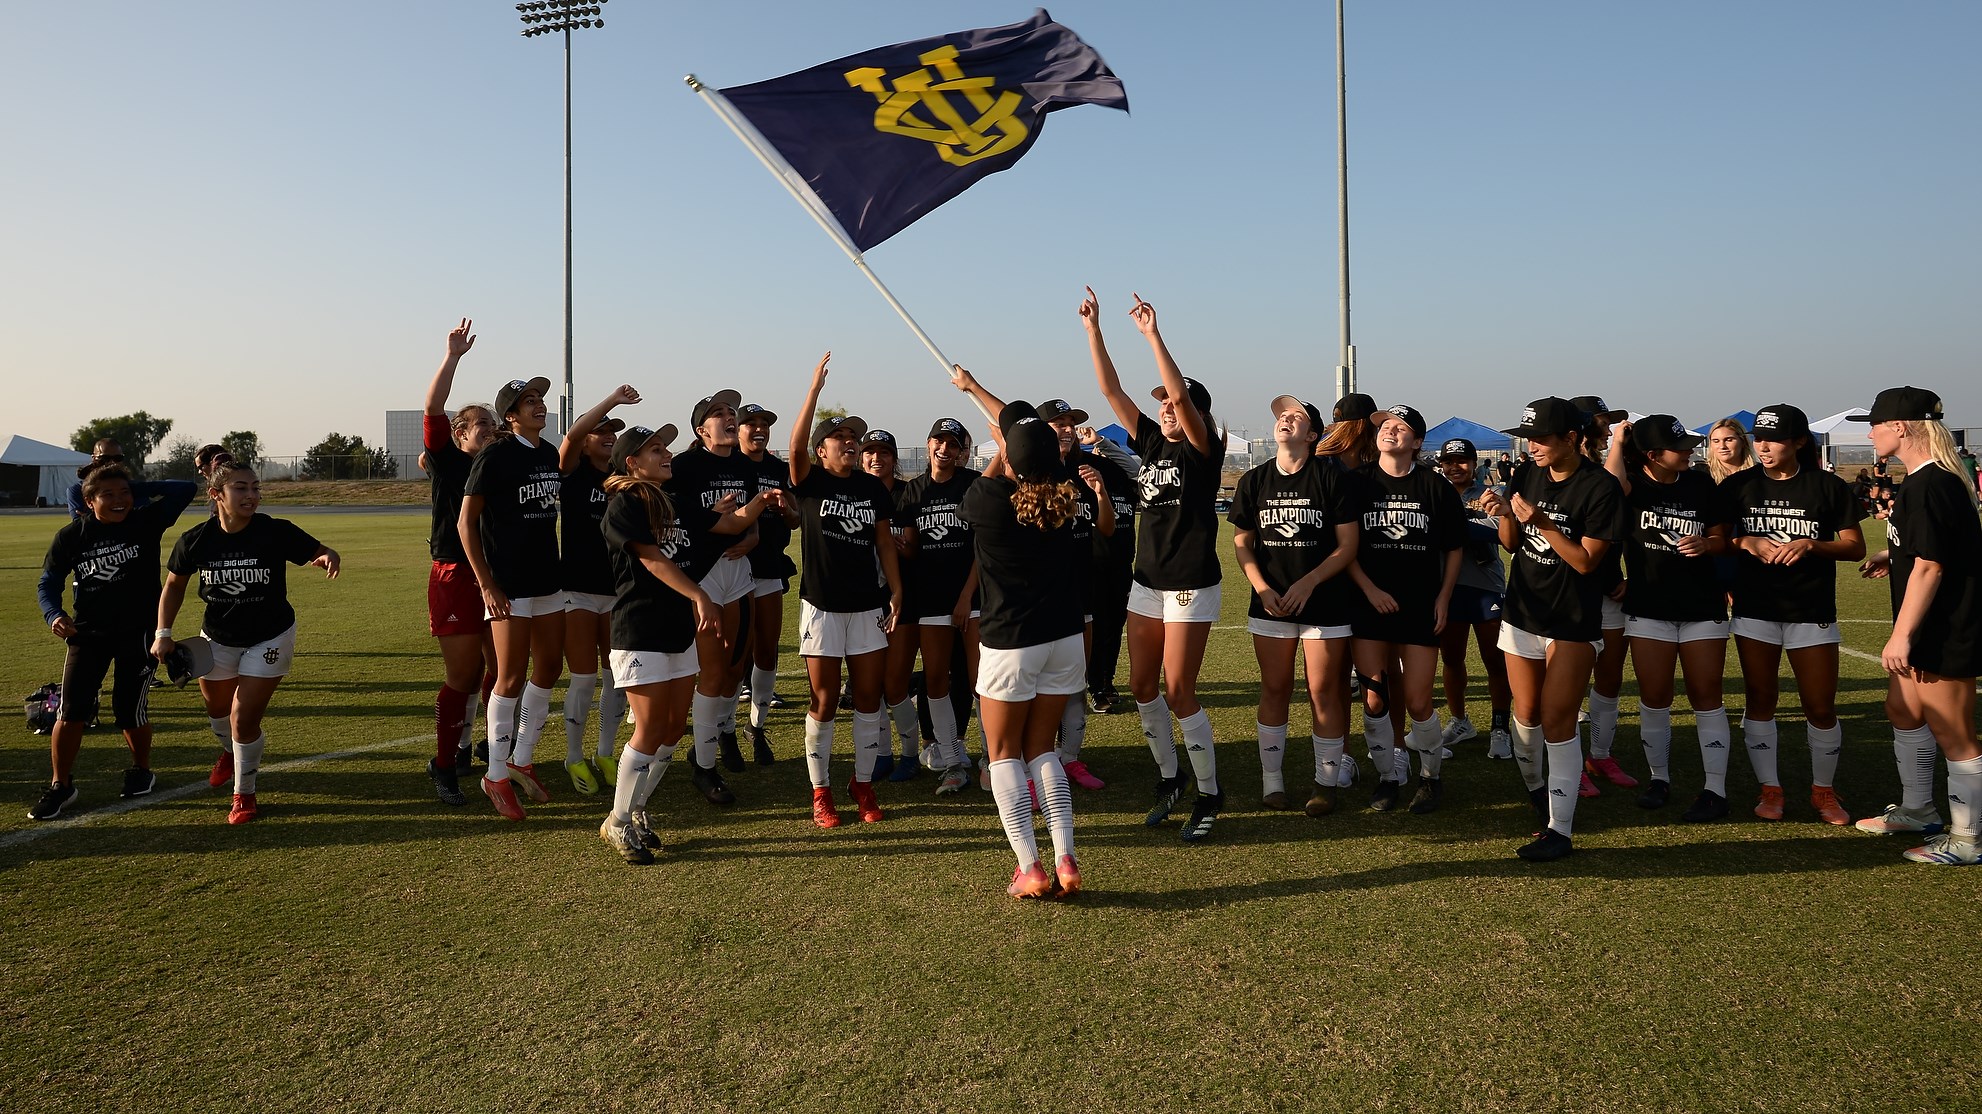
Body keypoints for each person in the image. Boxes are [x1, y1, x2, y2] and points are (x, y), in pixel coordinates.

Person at [1083, 288, 1228, 842]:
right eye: (1163, 405)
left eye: (1175, 403)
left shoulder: (1201, 449)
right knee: (1142, 685)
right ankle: (1170, 778)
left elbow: (1185, 404)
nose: (1166, 409)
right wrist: (1094, 329)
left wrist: (1152, 336)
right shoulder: (1149, 445)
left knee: (1178, 689)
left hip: (1190, 584)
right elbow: (1111, 390)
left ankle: (1211, 789)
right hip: (1146, 582)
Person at [461, 376, 638, 819]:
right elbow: (467, 523)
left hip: (549, 583)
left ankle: (522, 759)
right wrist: (486, 583)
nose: (538, 405)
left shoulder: (544, 454)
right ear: (511, 415)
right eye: (528, 401)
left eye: (540, 399)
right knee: (509, 677)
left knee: (549, 668)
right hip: (508, 585)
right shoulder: (495, 455)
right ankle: (496, 773)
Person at [152, 460, 340, 823]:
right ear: (216, 495)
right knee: (218, 712)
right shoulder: (195, 539)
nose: (251, 495)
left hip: (271, 636)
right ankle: (230, 751)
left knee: (242, 717)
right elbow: (174, 586)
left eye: (255, 487)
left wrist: (326, 556)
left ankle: (244, 794)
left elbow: (320, 549)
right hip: (217, 639)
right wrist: (164, 634)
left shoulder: (275, 531)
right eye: (241, 487)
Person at [1482, 398, 1626, 862]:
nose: (1533, 446)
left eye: (1542, 437)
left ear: (1572, 438)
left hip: (1572, 618)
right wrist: (1502, 513)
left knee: (1558, 718)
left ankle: (1560, 829)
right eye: (1528, 437)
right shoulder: (1526, 473)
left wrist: (1540, 520)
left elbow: (1586, 562)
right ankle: (1538, 795)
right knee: (1526, 716)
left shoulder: (1600, 487)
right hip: (1523, 612)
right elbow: (1512, 545)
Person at [962, 402, 1092, 898]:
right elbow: (1030, 467)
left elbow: (992, 480)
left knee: (1002, 755)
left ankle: (1030, 867)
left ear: (1010, 460)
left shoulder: (988, 500)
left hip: (1010, 644)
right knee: (1043, 749)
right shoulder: (1067, 498)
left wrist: (1001, 452)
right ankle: (1064, 856)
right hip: (1063, 640)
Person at [1852, 387, 1982, 863]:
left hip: (1942, 627)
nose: (1869, 433)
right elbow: (1933, 548)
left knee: (1954, 732)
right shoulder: (1927, 481)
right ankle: (1917, 809)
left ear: (1901, 427)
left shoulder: (1929, 484)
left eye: (1875, 424)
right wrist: (1895, 553)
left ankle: (1969, 839)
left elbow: (1932, 567)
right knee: (1903, 710)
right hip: (1928, 621)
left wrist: (1901, 635)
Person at [591, 423, 726, 863]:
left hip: (675, 631)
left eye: (665, 447)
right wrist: (699, 594)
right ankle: (617, 821)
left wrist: (764, 501)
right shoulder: (624, 505)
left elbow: (725, 524)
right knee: (649, 729)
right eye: (654, 449)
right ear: (632, 462)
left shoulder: (670, 502)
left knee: (671, 729)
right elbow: (651, 560)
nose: (666, 454)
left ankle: (635, 809)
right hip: (639, 630)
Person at [1723, 404, 1865, 824]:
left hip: (1811, 609)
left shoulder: (1827, 486)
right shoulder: (1740, 487)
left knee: (1819, 706)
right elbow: (1718, 540)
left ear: (1799, 442)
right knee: (1761, 699)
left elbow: (1854, 546)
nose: (1763, 446)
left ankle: (1824, 791)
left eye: (1774, 439)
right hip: (1755, 609)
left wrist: (1812, 546)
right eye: (1758, 439)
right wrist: (1745, 541)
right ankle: (1771, 789)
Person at [30, 464, 197, 819]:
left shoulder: (145, 521)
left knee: (128, 709)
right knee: (71, 710)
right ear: (89, 501)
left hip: (139, 634)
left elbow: (185, 489)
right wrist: (54, 614)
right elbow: (48, 583)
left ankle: (141, 770)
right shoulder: (71, 536)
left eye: (125, 494)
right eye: (108, 495)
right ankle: (61, 784)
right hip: (87, 634)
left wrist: (128, 484)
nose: (120, 501)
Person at [1228, 395, 1360, 815]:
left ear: (1313, 434)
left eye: (1296, 416)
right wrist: (1263, 588)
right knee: (1275, 688)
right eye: (1281, 415)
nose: (1285, 419)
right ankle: (1273, 782)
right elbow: (1242, 543)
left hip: (1326, 604)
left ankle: (1325, 783)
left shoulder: (1330, 478)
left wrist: (1309, 582)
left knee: (1323, 691)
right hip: (1270, 605)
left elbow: (1347, 546)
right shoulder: (1254, 480)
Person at [788, 353, 904, 827]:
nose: (851, 444)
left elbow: (884, 544)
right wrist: (814, 392)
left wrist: (896, 592)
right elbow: (794, 447)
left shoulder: (872, 488)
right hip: (822, 607)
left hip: (867, 607)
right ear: (822, 450)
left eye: (854, 438)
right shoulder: (810, 480)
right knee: (824, 698)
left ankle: (862, 784)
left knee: (868, 697)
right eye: (841, 438)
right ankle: (821, 791)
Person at [1603, 416, 1735, 817]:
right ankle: (1659, 778)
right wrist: (1617, 441)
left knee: (1707, 697)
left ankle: (1715, 789)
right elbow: (1610, 491)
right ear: (1651, 455)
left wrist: (1708, 544)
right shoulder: (1632, 485)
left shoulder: (1700, 483)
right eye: (1679, 447)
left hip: (1702, 607)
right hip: (1649, 608)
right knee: (1655, 697)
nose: (1689, 451)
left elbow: (1722, 539)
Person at [1345, 405, 1465, 814]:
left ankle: (1431, 778)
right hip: (1368, 604)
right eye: (1385, 426)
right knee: (1375, 698)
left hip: (1419, 606)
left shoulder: (1435, 487)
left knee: (1417, 701)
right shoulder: (1356, 483)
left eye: (1401, 427)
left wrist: (1444, 597)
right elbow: (1345, 547)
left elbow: (1453, 549)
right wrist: (1369, 588)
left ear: (1416, 442)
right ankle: (1387, 778)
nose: (1390, 431)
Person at [671, 389, 774, 805]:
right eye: (718, 413)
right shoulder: (685, 465)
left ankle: (715, 737)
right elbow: (678, 519)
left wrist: (750, 537)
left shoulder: (745, 466)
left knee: (735, 669)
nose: (729, 416)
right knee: (712, 674)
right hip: (704, 575)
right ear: (702, 430)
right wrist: (720, 518)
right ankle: (704, 766)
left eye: (731, 411)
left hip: (739, 573)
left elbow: (751, 521)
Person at [420, 319, 499, 807]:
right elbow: (432, 408)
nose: (490, 431)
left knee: (502, 669)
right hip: (455, 573)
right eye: (481, 425)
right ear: (460, 433)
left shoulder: (505, 462)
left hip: (499, 576)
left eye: (494, 424)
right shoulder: (448, 460)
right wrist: (453, 357)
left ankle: (489, 750)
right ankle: (445, 761)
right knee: (463, 675)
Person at [890, 416, 985, 792]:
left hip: (972, 597)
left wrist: (965, 597)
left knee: (981, 681)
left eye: (952, 444)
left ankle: (993, 757)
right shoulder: (912, 491)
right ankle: (952, 761)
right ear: (928, 444)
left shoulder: (973, 485)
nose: (944, 449)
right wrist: (901, 547)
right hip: (930, 598)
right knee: (935, 680)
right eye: (938, 442)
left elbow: (982, 547)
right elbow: (912, 546)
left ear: (962, 451)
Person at [557, 408, 626, 797]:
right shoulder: (572, 474)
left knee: (615, 677)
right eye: (599, 431)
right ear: (584, 438)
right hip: (577, 589)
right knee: (583, 678)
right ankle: (572, 755)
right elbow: (568, 443)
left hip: (617, 591)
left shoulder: (623, 480)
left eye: (612, 431)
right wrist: (613, 400)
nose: (608, 436)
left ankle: (605, 753)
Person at [1569, 396, 1634, 797]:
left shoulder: (1608, 463)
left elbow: (1620, 490)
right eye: (1603, 421)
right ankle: (1571, 762)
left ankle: (1600, 753)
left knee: (1608, 677)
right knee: (1570, 682)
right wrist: (1618, 448)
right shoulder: (1560, 469)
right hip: (1571, 589)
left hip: (1609, 587)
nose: (1610, 429)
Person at [1434, 437, 1513, 762]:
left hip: (1486, 588)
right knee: (1451, 660)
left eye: (1462, 461)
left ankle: (1499, 727)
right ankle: (1460, 720)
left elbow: (1500, 533)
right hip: (1447, 591)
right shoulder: (1435, 493)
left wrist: (1453, 527)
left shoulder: (1490, 495)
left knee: (1495, 661)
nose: (1455, 467)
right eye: (1449, 461)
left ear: (1474, 463)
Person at [738, 402, 799, 765]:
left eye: (765, 424)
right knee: (735, 652)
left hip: (769, 567)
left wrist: (784, 509)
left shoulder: (778, 468)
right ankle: (724, 730)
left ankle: (756, 727)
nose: (758, 429)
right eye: (751, 423)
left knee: (767, 649)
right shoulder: (727, 463)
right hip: (731, 567)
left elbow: (794, 519)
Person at [1075, 424, 1139, 719]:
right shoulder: (1091, 485)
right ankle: (1092, 686)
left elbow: (1136, 469)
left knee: (1114, 629)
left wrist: (1103, 443)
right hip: (1093, 566)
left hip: (1122, 567)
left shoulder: (1126, 484)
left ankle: (1106, 680)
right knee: (1096, 629)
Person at [66, 437, 128, 518]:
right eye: (105, 458)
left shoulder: (132, 487)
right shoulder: (78, 490)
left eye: (117, 458)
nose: (112, 463)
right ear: (94, 458)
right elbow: (81, 523)